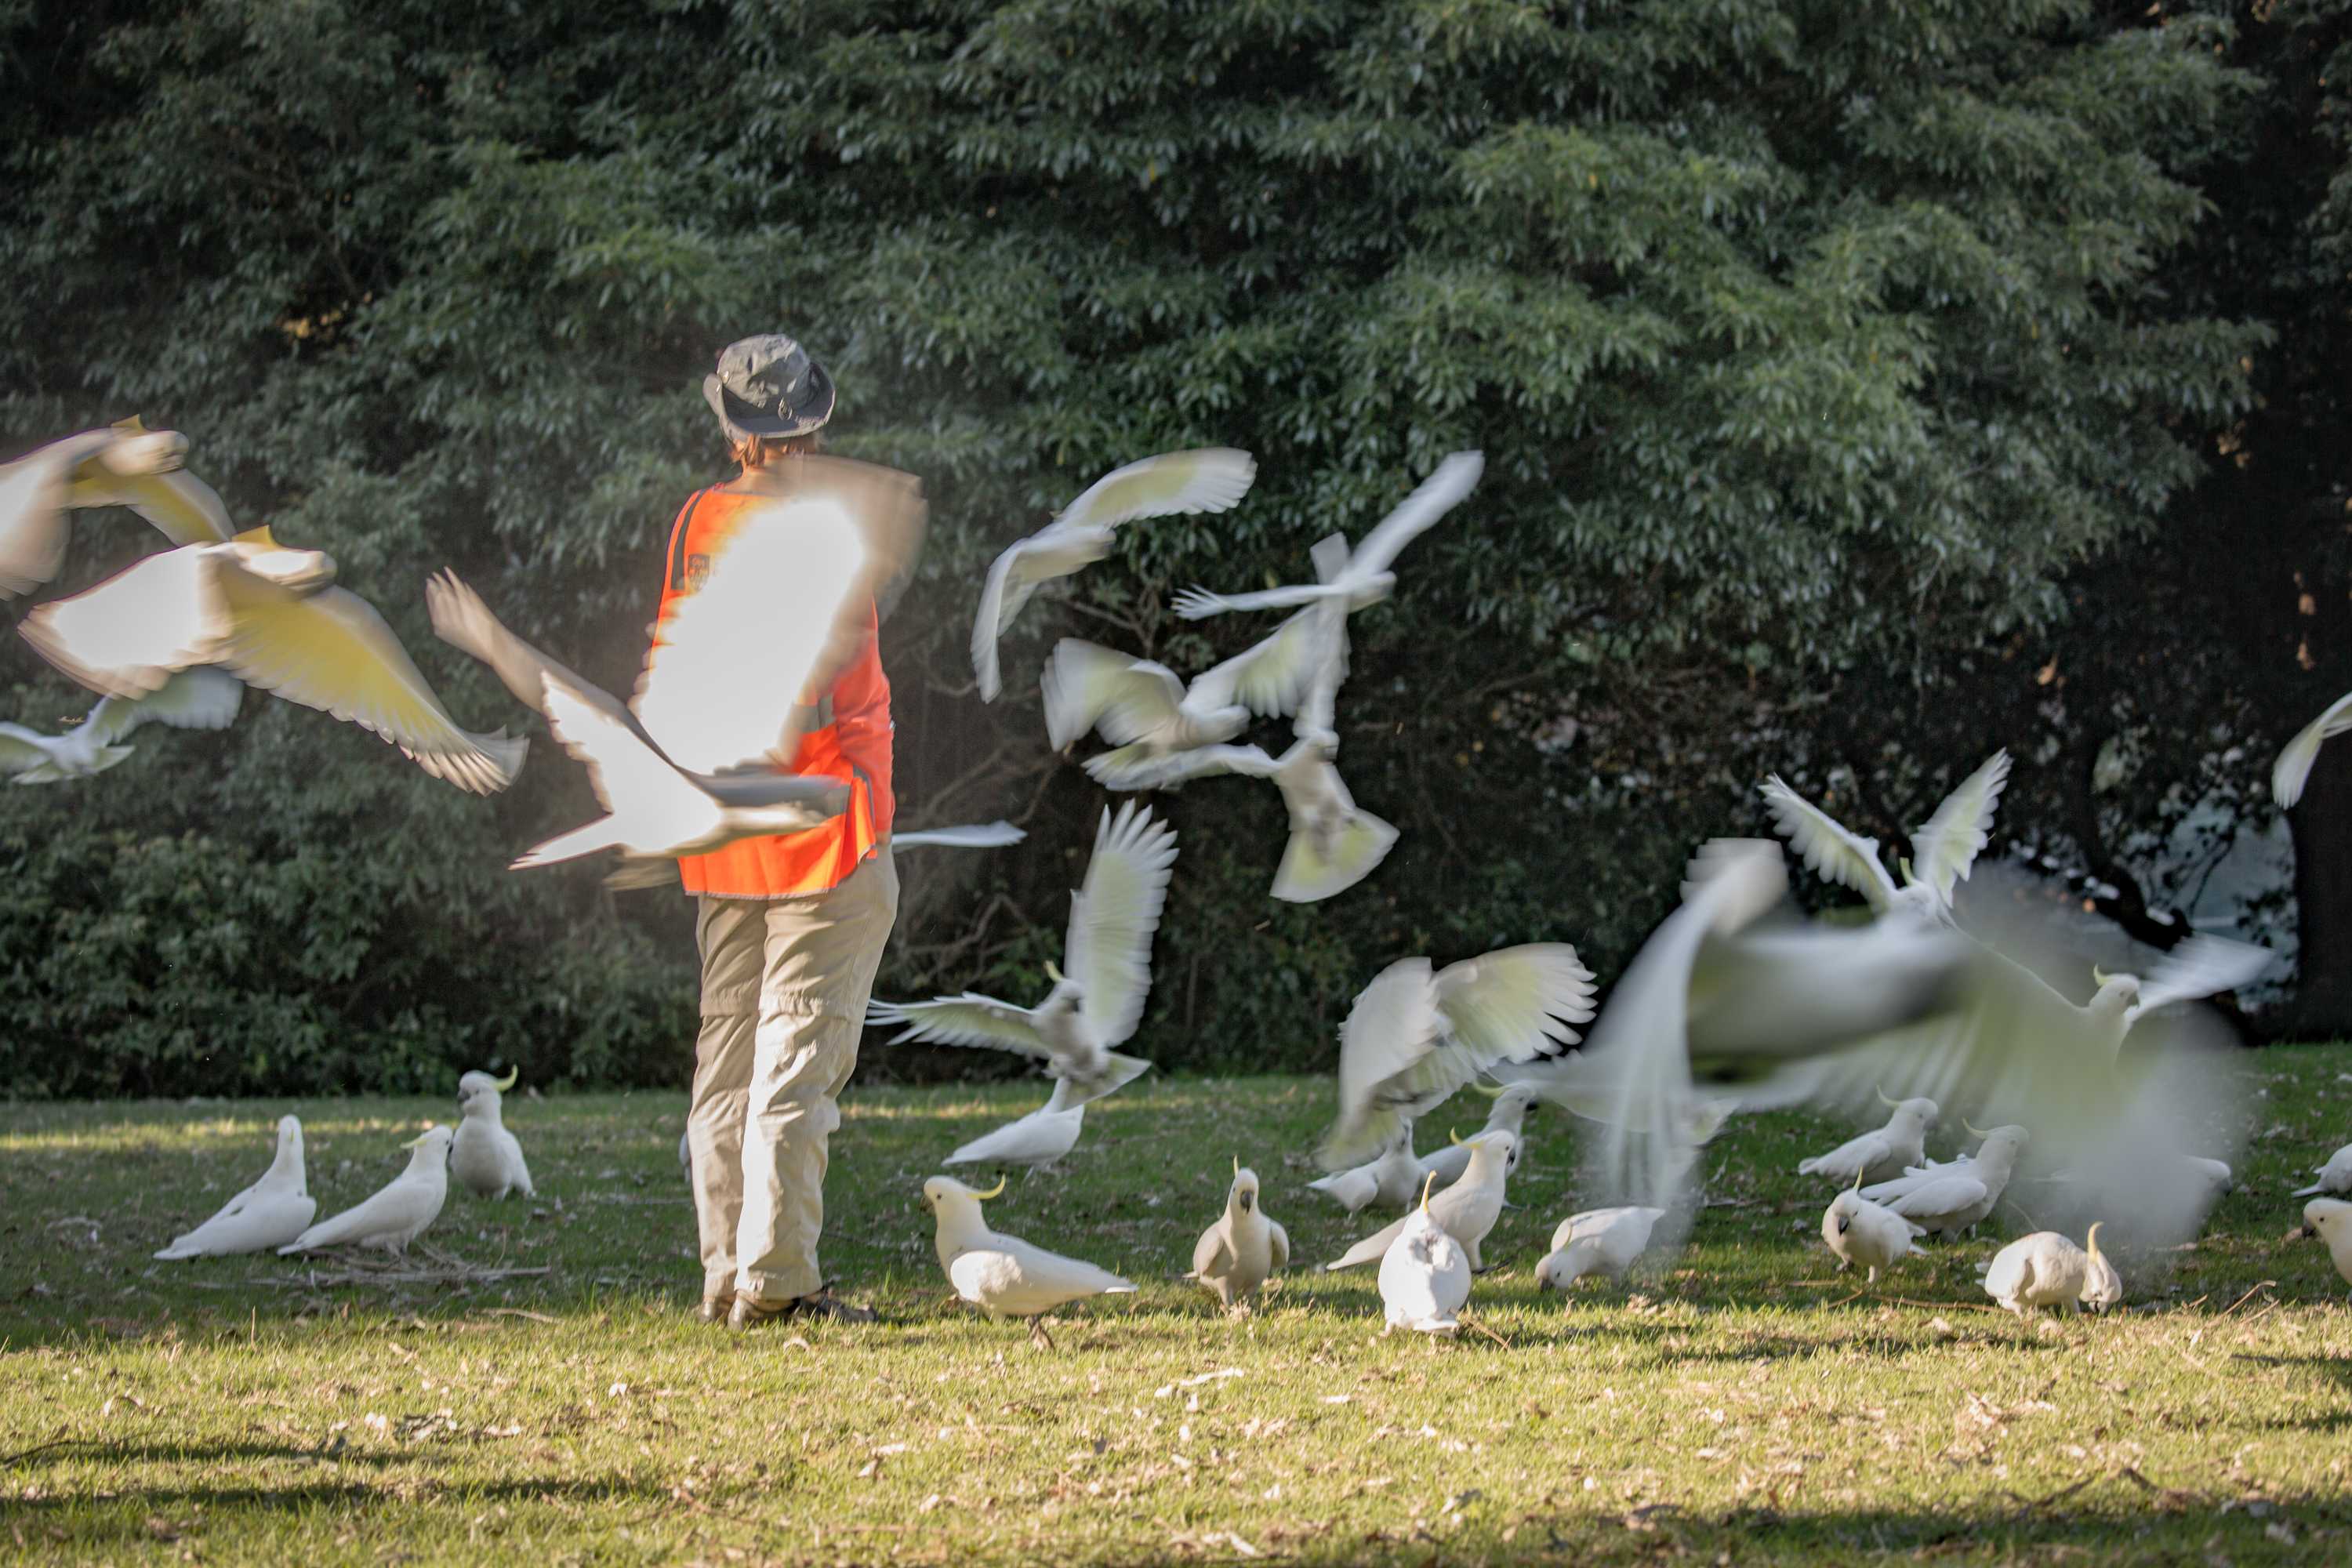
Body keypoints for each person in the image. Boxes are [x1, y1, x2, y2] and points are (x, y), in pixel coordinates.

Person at [662, 333, 923, 1328]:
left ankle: (727, 1271)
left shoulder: (696, 521)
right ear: (812, 423)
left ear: (731, 429)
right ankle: (775, 1284)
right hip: (828, 828)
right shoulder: (825, 533)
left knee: (727, 1055)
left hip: (726, 829)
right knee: (794, 1061)